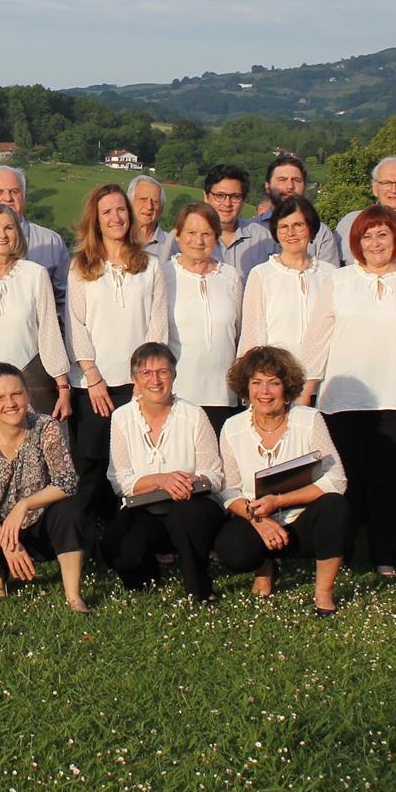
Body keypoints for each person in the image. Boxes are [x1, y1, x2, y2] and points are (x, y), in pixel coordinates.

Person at [299, 204, 396, 578]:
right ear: (356, 242)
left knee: (389, 482)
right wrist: (307, 392)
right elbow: (317, 340)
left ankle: (384, 555)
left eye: (382, 235)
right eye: (366, 236)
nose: (375, 243)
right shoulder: (339, 281)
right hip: (342, 400)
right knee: (345, 482)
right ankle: (341, 554)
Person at [212, 346, 349, 614]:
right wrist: (258, 521)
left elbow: (337, 479)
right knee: (232, 550)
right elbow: (229, 490)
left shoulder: (310, 420)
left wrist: (278, 501)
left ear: (286, 389)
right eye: (257, 383)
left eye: (273, 383)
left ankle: (323, 592)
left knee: (335, 507)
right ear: (246, 388)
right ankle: (263, 568)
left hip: (302, 518)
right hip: (256, 519)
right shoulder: (233, 427)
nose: (264, 392)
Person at [66, 182, 168, 520]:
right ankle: (85, 537)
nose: (116, 217)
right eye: (106, 212)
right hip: (93, 384)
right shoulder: (81, 266)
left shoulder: (150, 266)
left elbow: (157, 326)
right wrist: (94, 377)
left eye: (121, 209)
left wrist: (145, 379)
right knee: (91, 465)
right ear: (95, 219)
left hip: (137, 384)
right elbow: (75, 325)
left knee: (132, 463)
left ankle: (128, 531)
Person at [0, 363, 89, 612]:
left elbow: (67, 480)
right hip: (1, 527)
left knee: (69, 510)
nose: (10, 403)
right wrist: (9, 543)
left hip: (40, 523)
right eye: (0, 398)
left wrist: (24, 505)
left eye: (16, 394)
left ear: (28, 395)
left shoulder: (46, 427)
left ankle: (73, 595)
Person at [101, 343, 226, 602]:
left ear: (174, 374)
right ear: (134, 379)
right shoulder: (121, 418)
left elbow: (215, 474)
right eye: (146, 373)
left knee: (187, 515)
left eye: (162, 372)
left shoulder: (194, 415)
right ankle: (147, 578)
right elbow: (119, 481)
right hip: (145, 508)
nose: (155, 380)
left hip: (190, 503)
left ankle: (199, 588)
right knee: (118, 546)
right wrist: (161, 480)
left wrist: (191, 481)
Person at [0, 203, 72, 423]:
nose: (2, 235)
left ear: (17, 233)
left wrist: (63, 385)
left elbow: (49, 332)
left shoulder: (35, 275)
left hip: (24, 388)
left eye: (9, 228)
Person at [0, 164, 72, 316]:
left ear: (25, 197)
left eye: (14, 192)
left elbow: (65, 301)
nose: (8, 198)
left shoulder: (52, 243)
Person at [164, 202, 243, 430]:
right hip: (179, 394)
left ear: (216, 237)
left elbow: (240, 333)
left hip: (224, 395)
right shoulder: (164, 276)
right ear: (177, 234)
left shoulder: (231, 277)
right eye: (191, 233)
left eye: (207, 234)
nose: (198, 241)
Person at [238, 197, 333, 358]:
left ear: (311, 228)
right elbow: (252, 337)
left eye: (298, 225)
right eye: (283, 227)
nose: (291, 233)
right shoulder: (261, 275)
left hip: (324, 375)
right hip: (277, 375)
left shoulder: (330, 274)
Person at [263, 155, 341, 265]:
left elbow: (328, 277)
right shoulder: (251, 232)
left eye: (296, 180)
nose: (290, 186)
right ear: (268, 186)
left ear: (304, 187)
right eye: (282, 180)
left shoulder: (321, 233)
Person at [204, 164, 274, 280]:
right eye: (220, 196)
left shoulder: (264, 239)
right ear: (206, 197)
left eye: (235, 197)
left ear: (244, 201)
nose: (227, 203)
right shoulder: (187, 239)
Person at [128, 174, 174, 263]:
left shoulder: (172, 245)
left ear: (161, 208)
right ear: (129, 203)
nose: (149, 206)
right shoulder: (117, 240)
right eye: (143, 199)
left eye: (155, 201)